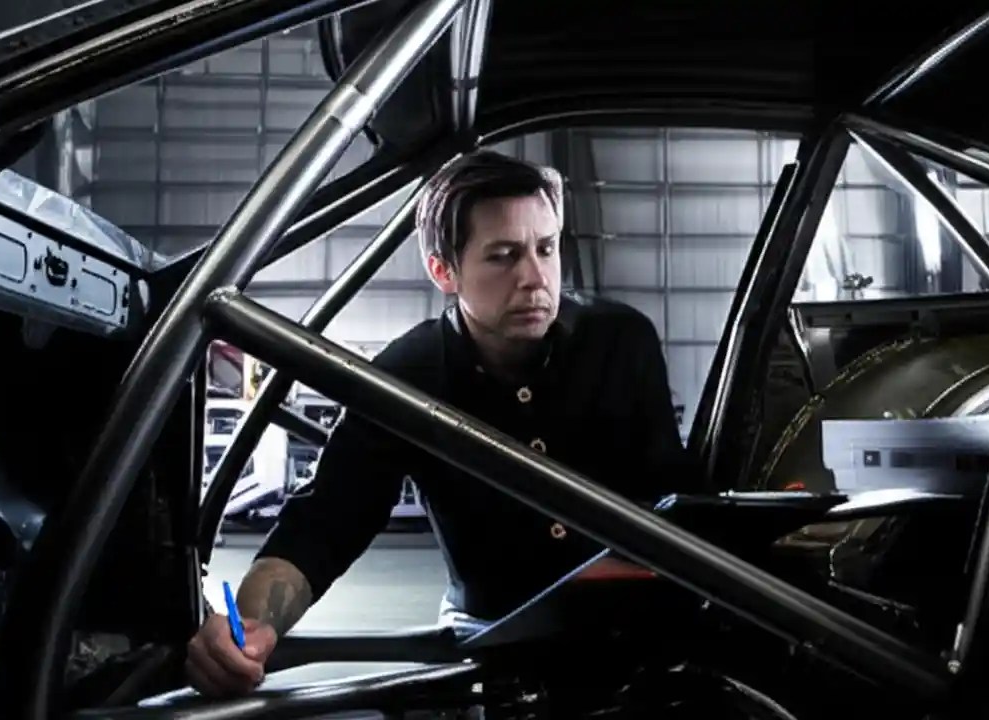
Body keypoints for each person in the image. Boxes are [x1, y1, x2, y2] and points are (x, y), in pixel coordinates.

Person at [184, 149, 702, 697]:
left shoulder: (622, 341)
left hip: (631, 633)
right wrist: (249, 632)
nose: (534, 278)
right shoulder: (404, 375)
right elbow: (325, 523)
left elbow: (673, 494)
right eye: (503, 256)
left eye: (545, 249)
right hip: (490, 645)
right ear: (443, 270)